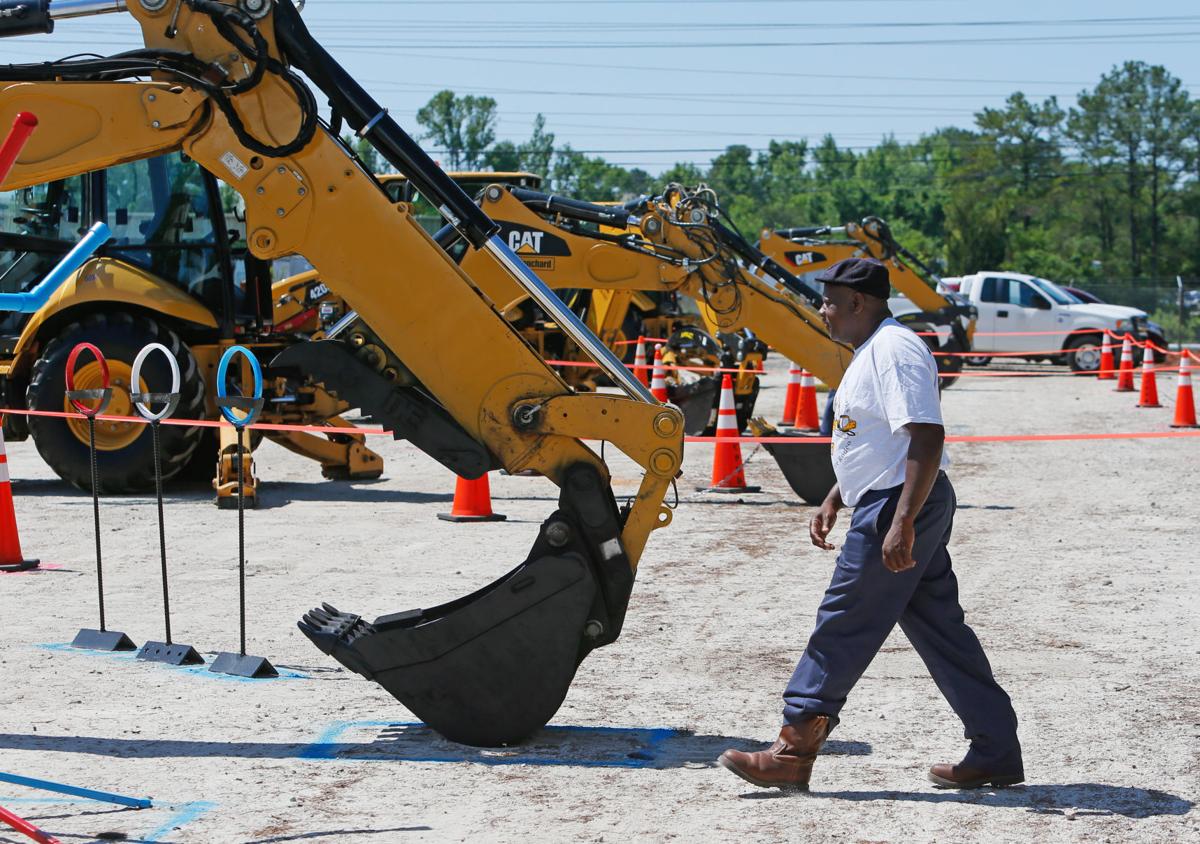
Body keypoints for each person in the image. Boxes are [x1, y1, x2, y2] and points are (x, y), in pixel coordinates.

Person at [719, 257, 1022, 791]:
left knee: (843, 617)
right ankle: (996, 748)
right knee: (941, 631)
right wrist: (837, 494)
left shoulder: (895, 350)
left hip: (901, 505)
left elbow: (926, 437)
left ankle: (793, 747)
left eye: (830, 300)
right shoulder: (870, 351)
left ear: (859, 302)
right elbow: (878, 440)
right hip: (890, 500)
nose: (822, 309)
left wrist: (902, 519)